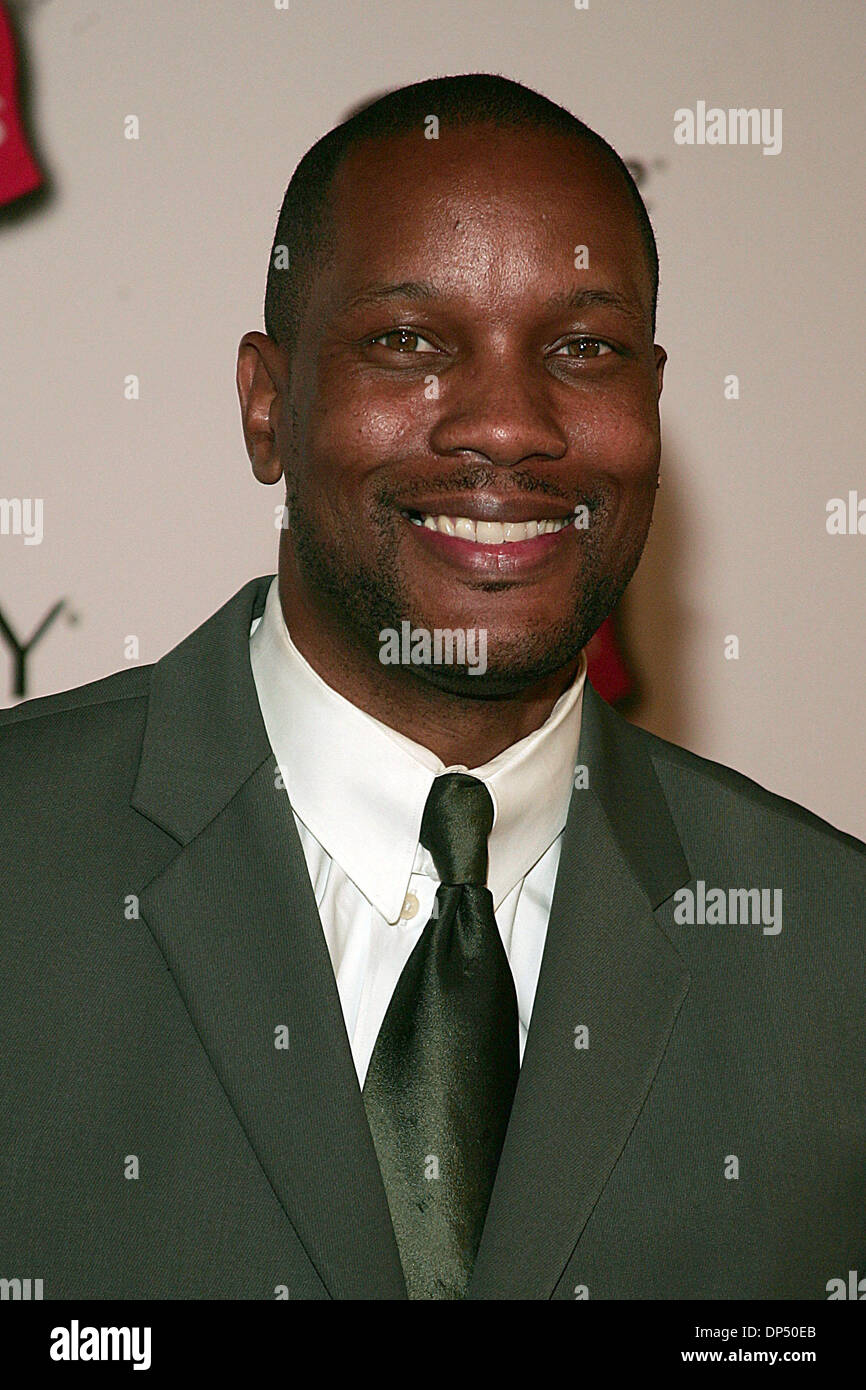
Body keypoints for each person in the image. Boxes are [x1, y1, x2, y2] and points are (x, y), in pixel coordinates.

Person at [1, 74, 863, 1302]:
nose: (507, 424)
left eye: (582, 348)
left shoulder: (828, 956)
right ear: (266, 404)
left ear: (652, 405)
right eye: (408, 342)